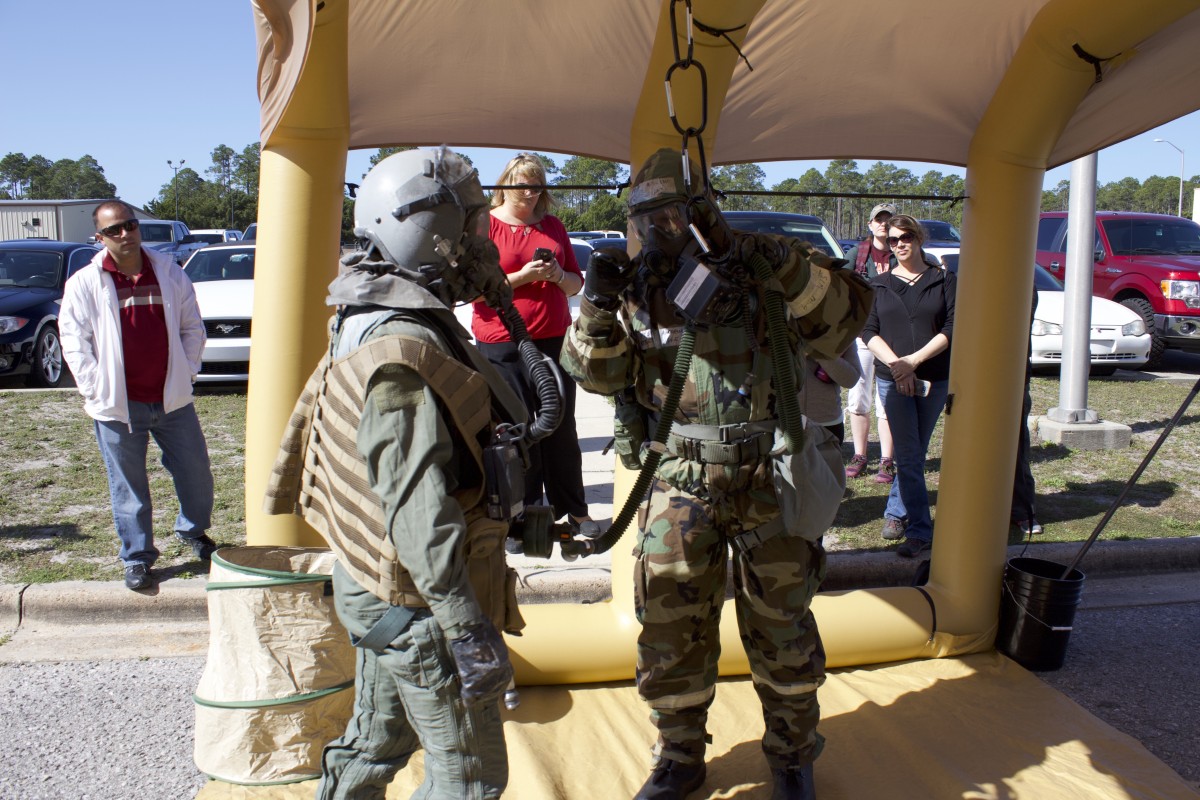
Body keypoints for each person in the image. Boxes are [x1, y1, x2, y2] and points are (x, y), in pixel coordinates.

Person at [561, 148, 872, 800]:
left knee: (783, 625)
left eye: (674, 216)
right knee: (672, 628)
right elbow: (597, 374)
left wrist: (775, 260)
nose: (662, 232)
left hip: (768, 470)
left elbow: (845, 317)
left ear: (703, 209)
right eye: (649, 220)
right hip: (681, 476)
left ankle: (792, 756)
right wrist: (596, 301)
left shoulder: (764, 266)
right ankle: (679, 756)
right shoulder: (642, 285)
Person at [264, 148, 533, 799]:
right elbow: (420, 510)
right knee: (469, 779)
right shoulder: (403, 350)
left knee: (380, 735)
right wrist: (466, 632)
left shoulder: (371, 309)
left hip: (375, 583)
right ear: (431, 233)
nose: (484, 244)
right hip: (418, 599)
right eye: (473, 226)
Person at [59, 200, 216, 591]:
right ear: (100, 238)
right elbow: (74, 341)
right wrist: (96, 387)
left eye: (130, 225)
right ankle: (138, 557)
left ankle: (192, 531)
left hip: (172, 399)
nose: (125, 234)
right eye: (114, 230)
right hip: (117, 404)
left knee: (196, 474)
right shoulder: (85, 282)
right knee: (129, 486)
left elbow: (192, 327)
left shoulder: (168, 272)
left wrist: (188, 369)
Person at [472, 153, 594, 539]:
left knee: (560, 428)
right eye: (521, 183)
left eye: (536, 184)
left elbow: (576, 284)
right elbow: (477, 291)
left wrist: (558, 274)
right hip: (502, 343)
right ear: (504, 183)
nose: (529, 191)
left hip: (555, 340)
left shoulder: (553, 226)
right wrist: (524, 276)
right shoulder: (485, 226)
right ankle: (518, 520)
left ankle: (573, 512)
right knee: (515, 431)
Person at [861, 214, 956, 558]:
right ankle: (919, 530)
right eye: (892, 240)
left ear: (918, 239)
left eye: (905, 238)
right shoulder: (878, 284)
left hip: (933, 378)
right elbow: (868, 332)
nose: (899, 244)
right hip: (892, 380)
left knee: (914, 452)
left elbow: (951, 327)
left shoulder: (944, 280)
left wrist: (912, 362)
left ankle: (895, 513)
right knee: (910, 455)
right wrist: (898, 367)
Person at [841, 203, 897, 483]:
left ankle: (887, 460)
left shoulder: (903, 255)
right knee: (858, 396)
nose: (883, 225)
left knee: (887, 400)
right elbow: (841, 285)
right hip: (863, 336)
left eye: (888, 220)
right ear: (870, 224)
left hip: (893, 340)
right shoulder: (858, 254)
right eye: (879, 220)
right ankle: (859, 454)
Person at [802, 345, 862, 446]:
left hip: (826, 424)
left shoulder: (839, 332)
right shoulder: (772, 330)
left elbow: (850, 379)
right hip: (781, 423)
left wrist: (817, 350)